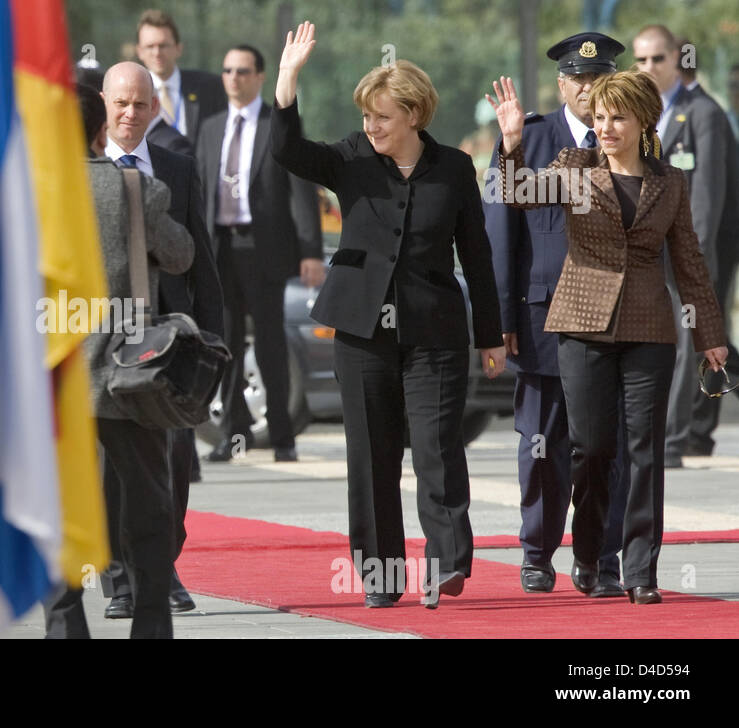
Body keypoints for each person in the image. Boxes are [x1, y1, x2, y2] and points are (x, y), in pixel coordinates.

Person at [273, 23, 505, 608]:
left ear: (413, 116)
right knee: (372, 456)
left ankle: (448, 563)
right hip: (361, 331)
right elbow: (288, 151)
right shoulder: (350, 158)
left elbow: (476, 256)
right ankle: (381, 579)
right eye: (368, 115)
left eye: (382, 116)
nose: (371, 125)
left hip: (436, 332)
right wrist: (287, 79)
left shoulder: (453, 168)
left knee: (437, 448)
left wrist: (491, 336)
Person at [489, 70, 728, 604]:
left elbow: (689, 260)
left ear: (645, 120)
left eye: (617, 117)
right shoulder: (575, 169)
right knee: (592, 449)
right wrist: (510, 146)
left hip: (649, 328)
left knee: (643, 450)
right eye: (599, 117)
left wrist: (711, 335)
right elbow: (516, 193)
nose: (606, 127)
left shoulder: (670, 183)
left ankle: (639, 568)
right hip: (581, 326)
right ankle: (590, 550)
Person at [43, 83, 194, 639]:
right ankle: (150, 623)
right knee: (147, 509)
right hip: (128, 375)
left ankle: (63, 627)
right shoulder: (135, 187)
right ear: (101, 130)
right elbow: (181, 256)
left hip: (53, 377)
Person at [483, 32, 630, 597]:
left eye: (600, 79)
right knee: (541, 443)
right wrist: (501, 316)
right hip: (544, 317)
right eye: (579, 79)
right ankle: (536, 554)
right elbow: (501, 232)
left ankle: (600, 559)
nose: (589, 89)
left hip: (615, 319)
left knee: (604, 447)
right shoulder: (530, 138)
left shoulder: (631, 142)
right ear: (562, 83)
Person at [95, 61, 223, 620]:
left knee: (171, 461)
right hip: (99, 345)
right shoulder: (82, 171)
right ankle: (121, 579)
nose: (129, 113)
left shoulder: (176, 167)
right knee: (110, 465)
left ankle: (162, 566)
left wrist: (214, 344)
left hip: (168, 346)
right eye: (120, 103)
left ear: (155, 108)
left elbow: (202, 262)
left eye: (139, 104)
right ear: (104, 104)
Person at [196, 43, 323, 463]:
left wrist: (310, 250)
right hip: (221, 247)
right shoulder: (212, 126)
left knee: (270, 343)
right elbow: (201, 190)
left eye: (243, 71)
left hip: (265, 249)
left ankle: (283, 437)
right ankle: (234, 433)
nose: (234, 78)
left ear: (260, 77)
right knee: (225, 342)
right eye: (228, 70)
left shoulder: (277, 124)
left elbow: (300, 191)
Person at [630, 25, 736, 466]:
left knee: (680, 345)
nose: (649, 68)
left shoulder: (701, 114)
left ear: (677, 59)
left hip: (686, 255)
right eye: (641, 60)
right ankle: (673, 433)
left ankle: (671, 441)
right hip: (645, 255)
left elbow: (708, 198)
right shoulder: (637, 116)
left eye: (658, 58)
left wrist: (699, 265)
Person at [136, 9, 224, 149]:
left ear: (178, 48)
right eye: (150, 46)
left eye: (163, 45)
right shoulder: (132, 93)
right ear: (139, 51)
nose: (157, 53)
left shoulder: (210, 87)